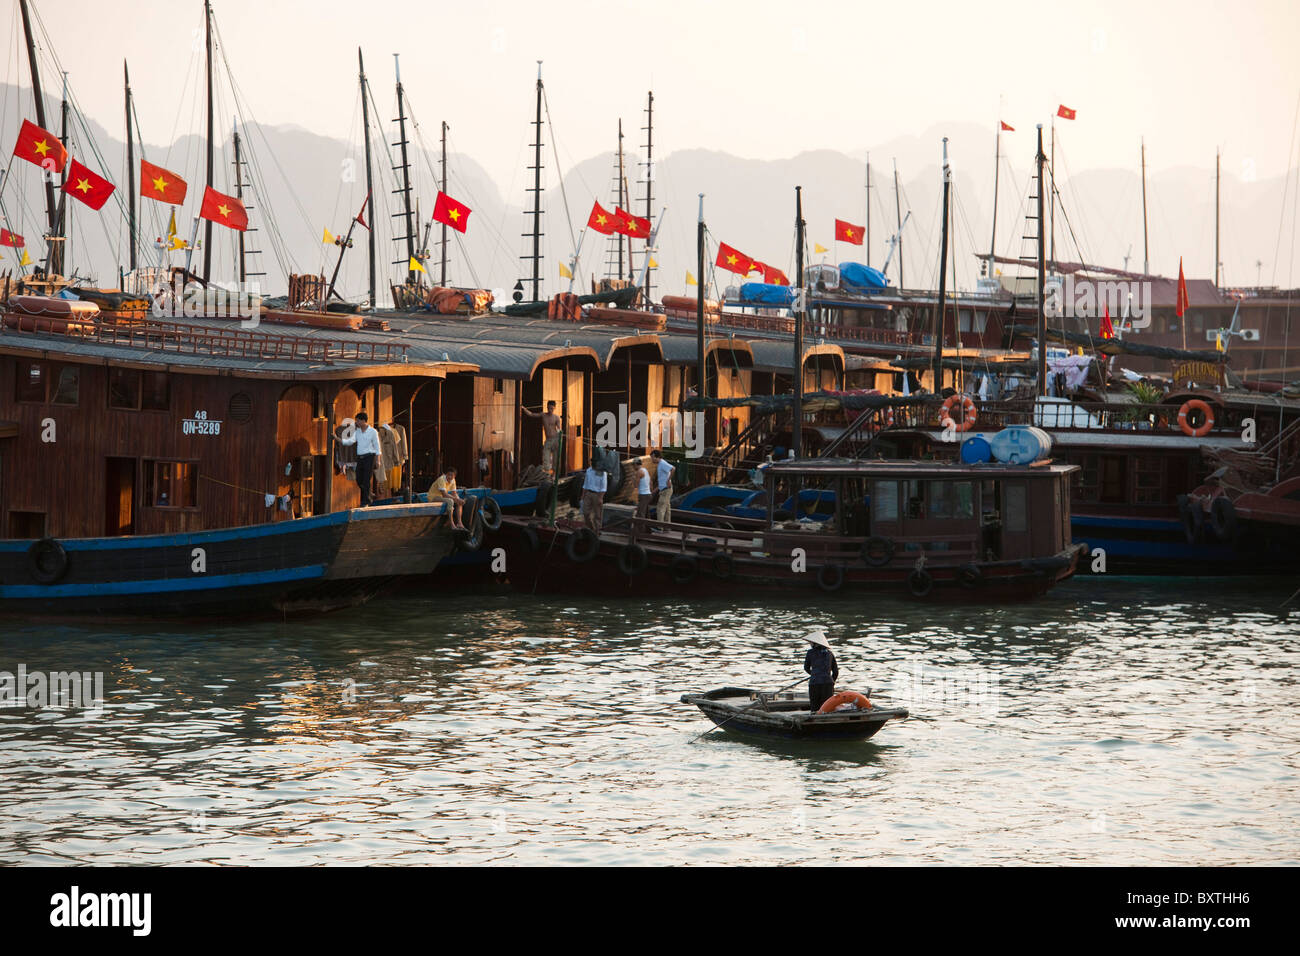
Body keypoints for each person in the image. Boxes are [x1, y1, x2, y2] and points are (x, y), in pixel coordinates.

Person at [347, 411, 383, 507]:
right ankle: (369, 493)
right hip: (360, 458)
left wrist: (378, 460)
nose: (356, 422)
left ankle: (365, 501)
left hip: (369, 457)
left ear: (363, 421)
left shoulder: (373, 432)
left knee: (366, 480)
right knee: (359, 479)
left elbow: (377, 447)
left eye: (358, 420)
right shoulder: (357, 431)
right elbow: (351, 441)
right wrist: (340, 440)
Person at [803, 629, 839, 713]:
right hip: (828, 683)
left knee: (815, 708)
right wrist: (832, 681)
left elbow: (806, 667)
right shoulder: (830, 654)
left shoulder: (810, 653)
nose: (810, 644)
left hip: (814, 683)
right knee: (827, 708)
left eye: (811, 642)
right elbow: (836, 672)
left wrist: (814, 674)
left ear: (815, 643)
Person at [523, 400, 562, 473]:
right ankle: (547, 474)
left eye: (552, 409)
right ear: (547, 407)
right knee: (545, 458)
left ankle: (554, 475)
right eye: (549, 408)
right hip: (548, 440)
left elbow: (559, 428)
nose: (550, 410)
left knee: (555, 460)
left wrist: (559, 431)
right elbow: (531, 414)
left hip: (555, 439)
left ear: (554, 408)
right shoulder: (543, 415)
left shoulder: (556, 417)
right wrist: (523, 408)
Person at [429, 465, 467, 531]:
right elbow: (444, 494)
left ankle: (459, 523)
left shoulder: (453, 480)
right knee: (450, 501)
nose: (449, 477)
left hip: (442, 497)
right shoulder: (441, 479)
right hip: (433, 497)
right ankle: (451, 523)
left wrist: (459, 500)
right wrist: (457, 499)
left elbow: (454, 493)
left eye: (452, 475)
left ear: (454, 476)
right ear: (445, 474)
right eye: (448, 475)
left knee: (459, 503)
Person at [651, 449, 675, 528]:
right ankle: (667, 527)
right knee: (667, 509)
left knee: (660, 508)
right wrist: (654, 491)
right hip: (664, 489)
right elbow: (662, 481)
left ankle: (659, 527)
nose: (652, 459)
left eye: (652, 457)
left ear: (657, 457)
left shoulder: (662, 463)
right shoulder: (660, 465)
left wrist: (668, 480)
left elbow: (673, 469)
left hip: (666, 490)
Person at [581, 461, 607, 533]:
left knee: (598, 515)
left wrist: (600, 498)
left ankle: (597, 531)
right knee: (585, 512)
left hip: (598, 494)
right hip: (588, 493)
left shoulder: (602, 472)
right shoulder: (588, 470)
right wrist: (582, 496)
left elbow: (604, 487)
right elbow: (585, 484)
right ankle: (591, 528)